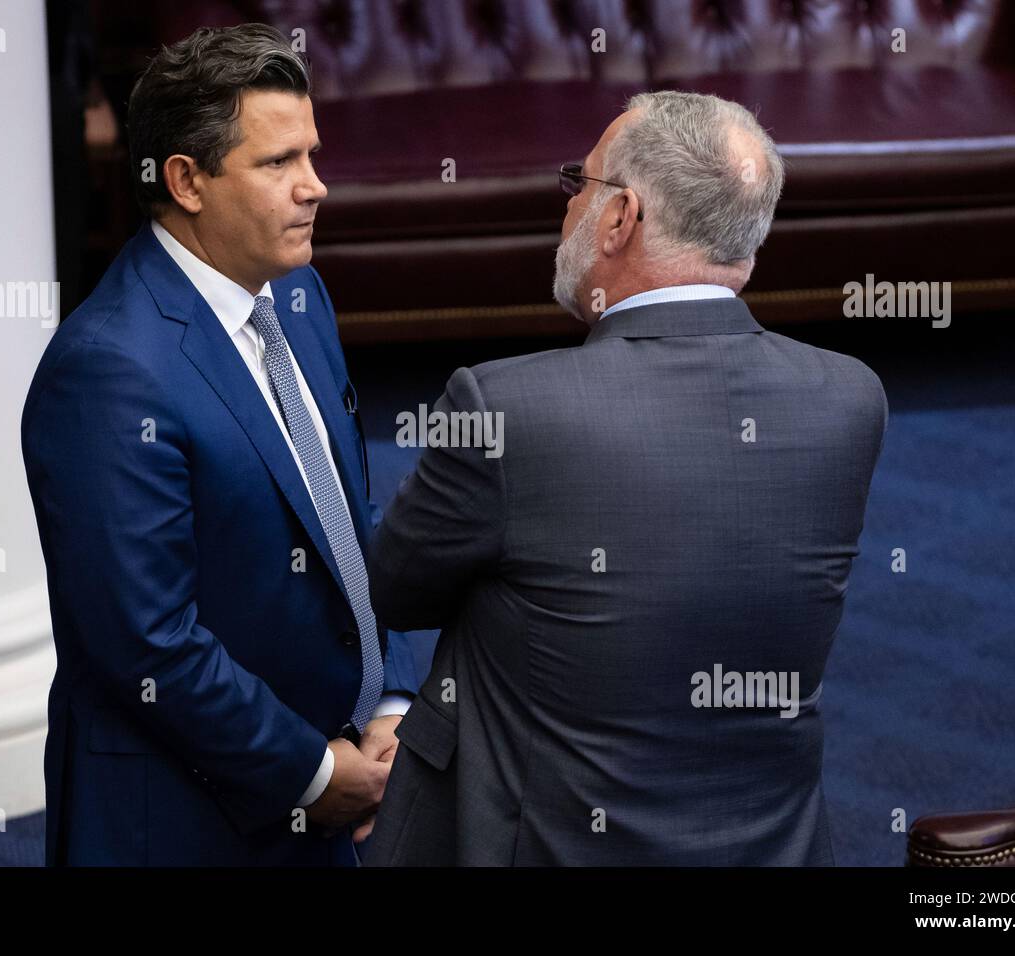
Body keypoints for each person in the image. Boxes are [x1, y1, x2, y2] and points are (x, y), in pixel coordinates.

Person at [363, 91, 889, 866]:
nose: (570, 203)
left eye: (581, 182)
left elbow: (398, 594)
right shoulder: (850, 397)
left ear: (620, 218)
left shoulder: (502, 407)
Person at [21, 24, 421, 866]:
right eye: (279, 163)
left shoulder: (299, 295)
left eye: (312, 155)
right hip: (187, 819)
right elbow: (148, 643)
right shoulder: (107, 372)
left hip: (333, 790)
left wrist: (391, 696)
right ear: (185, 182)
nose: (316, 187)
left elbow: (351, 516)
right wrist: (318, 772)